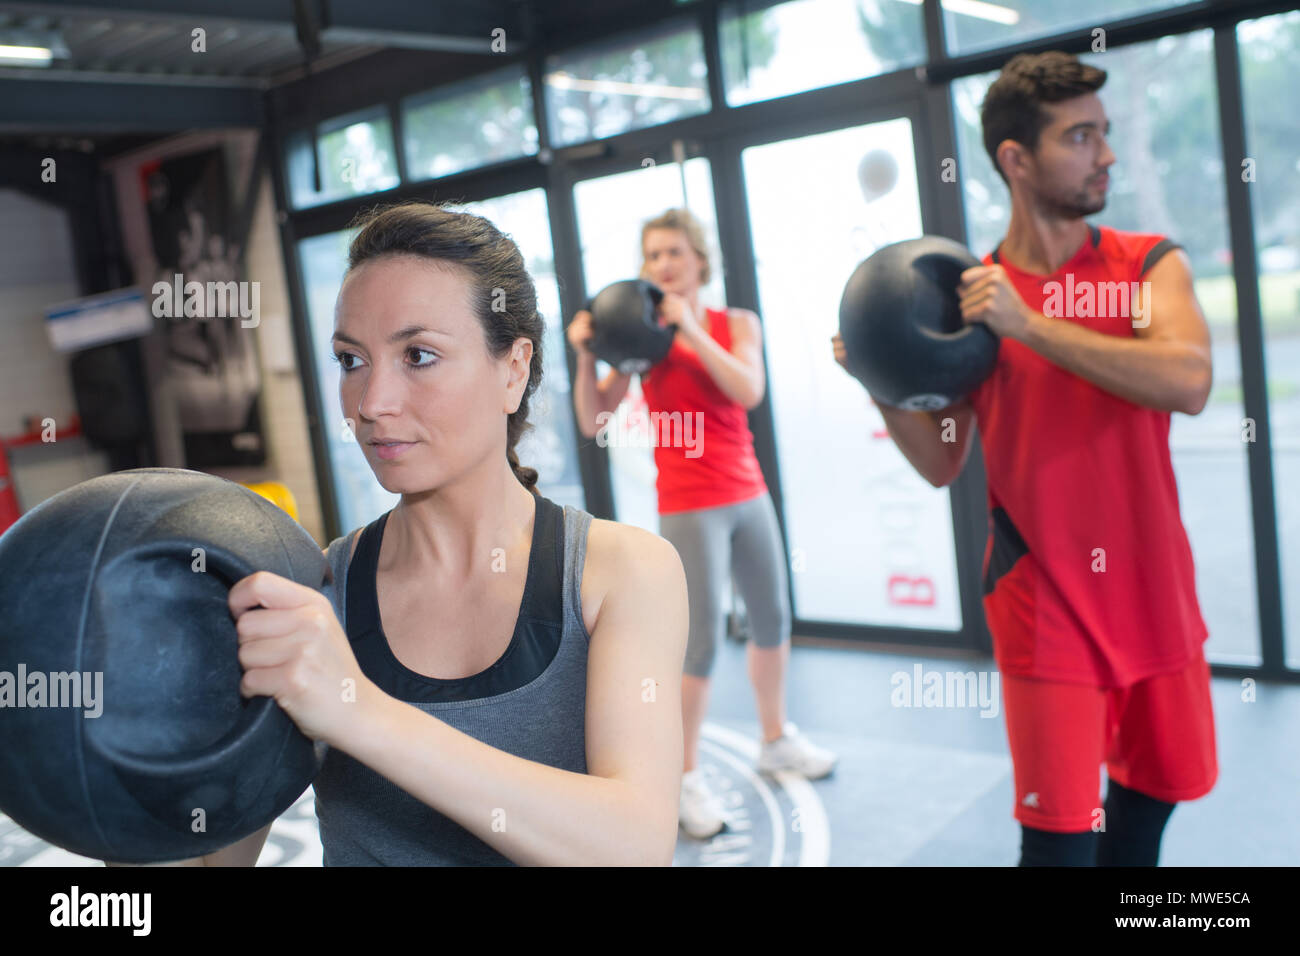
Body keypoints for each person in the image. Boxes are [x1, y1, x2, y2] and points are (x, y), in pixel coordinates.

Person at [116, 201, 689, 866]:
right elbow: (211, 860)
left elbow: (635, 846)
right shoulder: (310, 589)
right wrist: (113, 743)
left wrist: (356, 710)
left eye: (418, 355)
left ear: (514, 369)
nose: (371, 402)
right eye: (351, 360)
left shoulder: (622, 572)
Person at [836, 51, 1217, 866]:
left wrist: (1032, 326)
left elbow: (1188, 380)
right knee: (1058, 847)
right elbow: (944, 463)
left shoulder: (1148, 265)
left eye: (1104, 134)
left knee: (1146, 813)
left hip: (1154, 595)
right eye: (1080, 138)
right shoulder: (969, 298)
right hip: (1044, 605)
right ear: (1017, 159)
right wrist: (881, 380)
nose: (1105, 155)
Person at [569, 208, 837, 841]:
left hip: (748, 492)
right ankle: (685, 776)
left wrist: (688, 324)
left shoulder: (733, 323)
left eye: (674, 253)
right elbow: (594, 420)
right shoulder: (644, 340)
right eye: (653, 255)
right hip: (688, 502)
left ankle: (775, 739)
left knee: (772, 620)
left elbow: (746, 389)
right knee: (700, 645)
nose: (664, 264)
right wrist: (586, 357)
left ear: (699, 261)